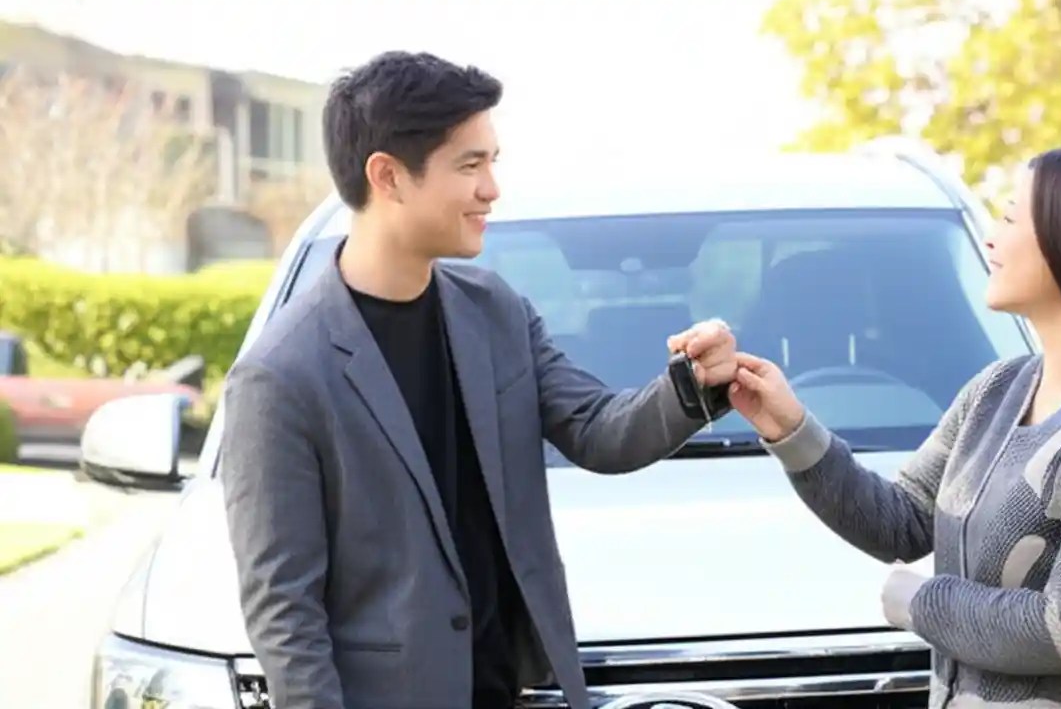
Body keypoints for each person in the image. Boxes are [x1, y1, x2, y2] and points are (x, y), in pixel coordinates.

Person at [218, 50, 737, 709]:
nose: (492, 187)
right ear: (388, 176)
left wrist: (691, 385)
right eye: (471, 165)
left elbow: (598, 430)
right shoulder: (281, 375)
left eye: (493, 161)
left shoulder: (495, 310)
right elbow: (284, 614)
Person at [714, 147, 1061, 708]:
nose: (990, 241)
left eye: (1008, 218)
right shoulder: (995, 391)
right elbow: (898, 523)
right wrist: (790, 428)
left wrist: (921, 601)